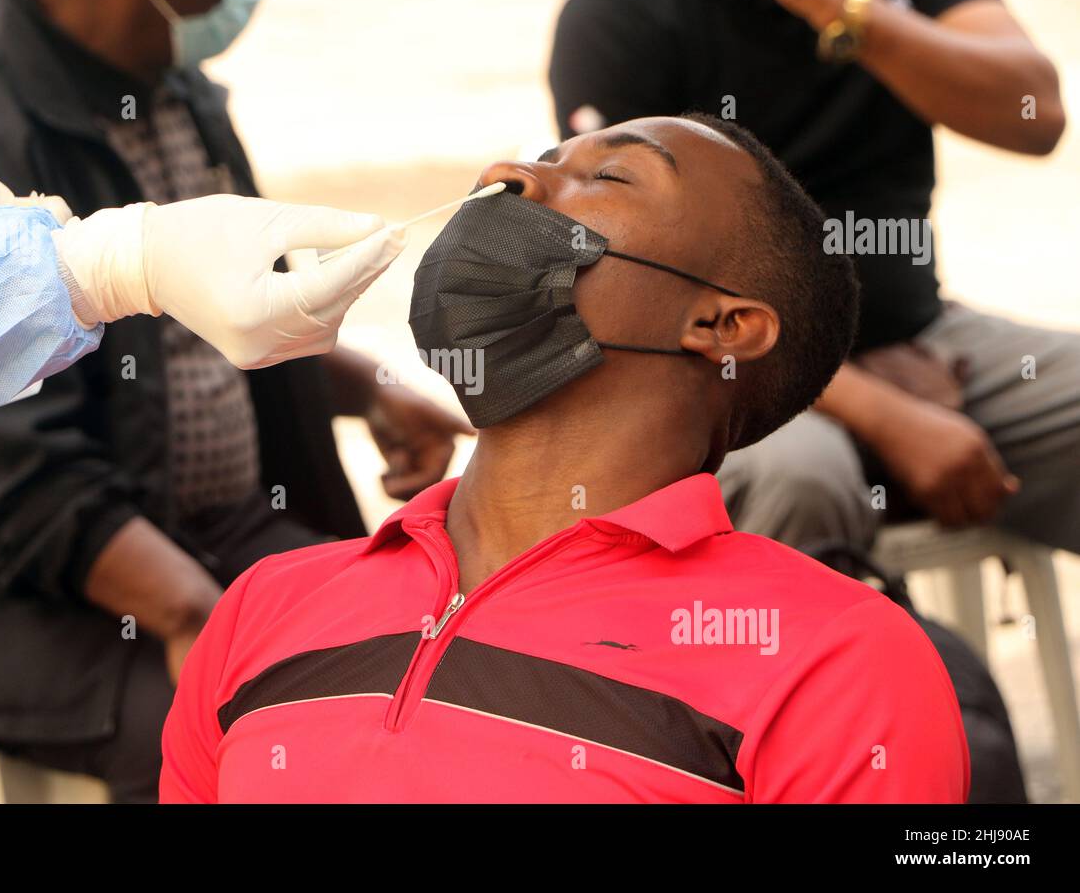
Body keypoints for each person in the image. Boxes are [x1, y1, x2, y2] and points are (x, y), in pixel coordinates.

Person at [160, 115, 969, 803]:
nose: (506, 175)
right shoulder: (263, 608)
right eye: (541, 157)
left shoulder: (835, 660)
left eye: (610, 175)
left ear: (723, 327)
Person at [0, 0, 465, 802]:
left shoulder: (177, 96)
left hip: (216, 528)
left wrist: (370, 388)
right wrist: (193, 616)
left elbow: (230, 321)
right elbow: (11, 483)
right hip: (29, 593)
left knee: (432, 640)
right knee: (246, 732)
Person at [548, 0, 1076, 557]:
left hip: (922, 339)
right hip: (729, 372)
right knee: (798, 482)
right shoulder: (619, 9)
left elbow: (1034, 112)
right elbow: (647, 283)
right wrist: (883, 414)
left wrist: (840, 5)